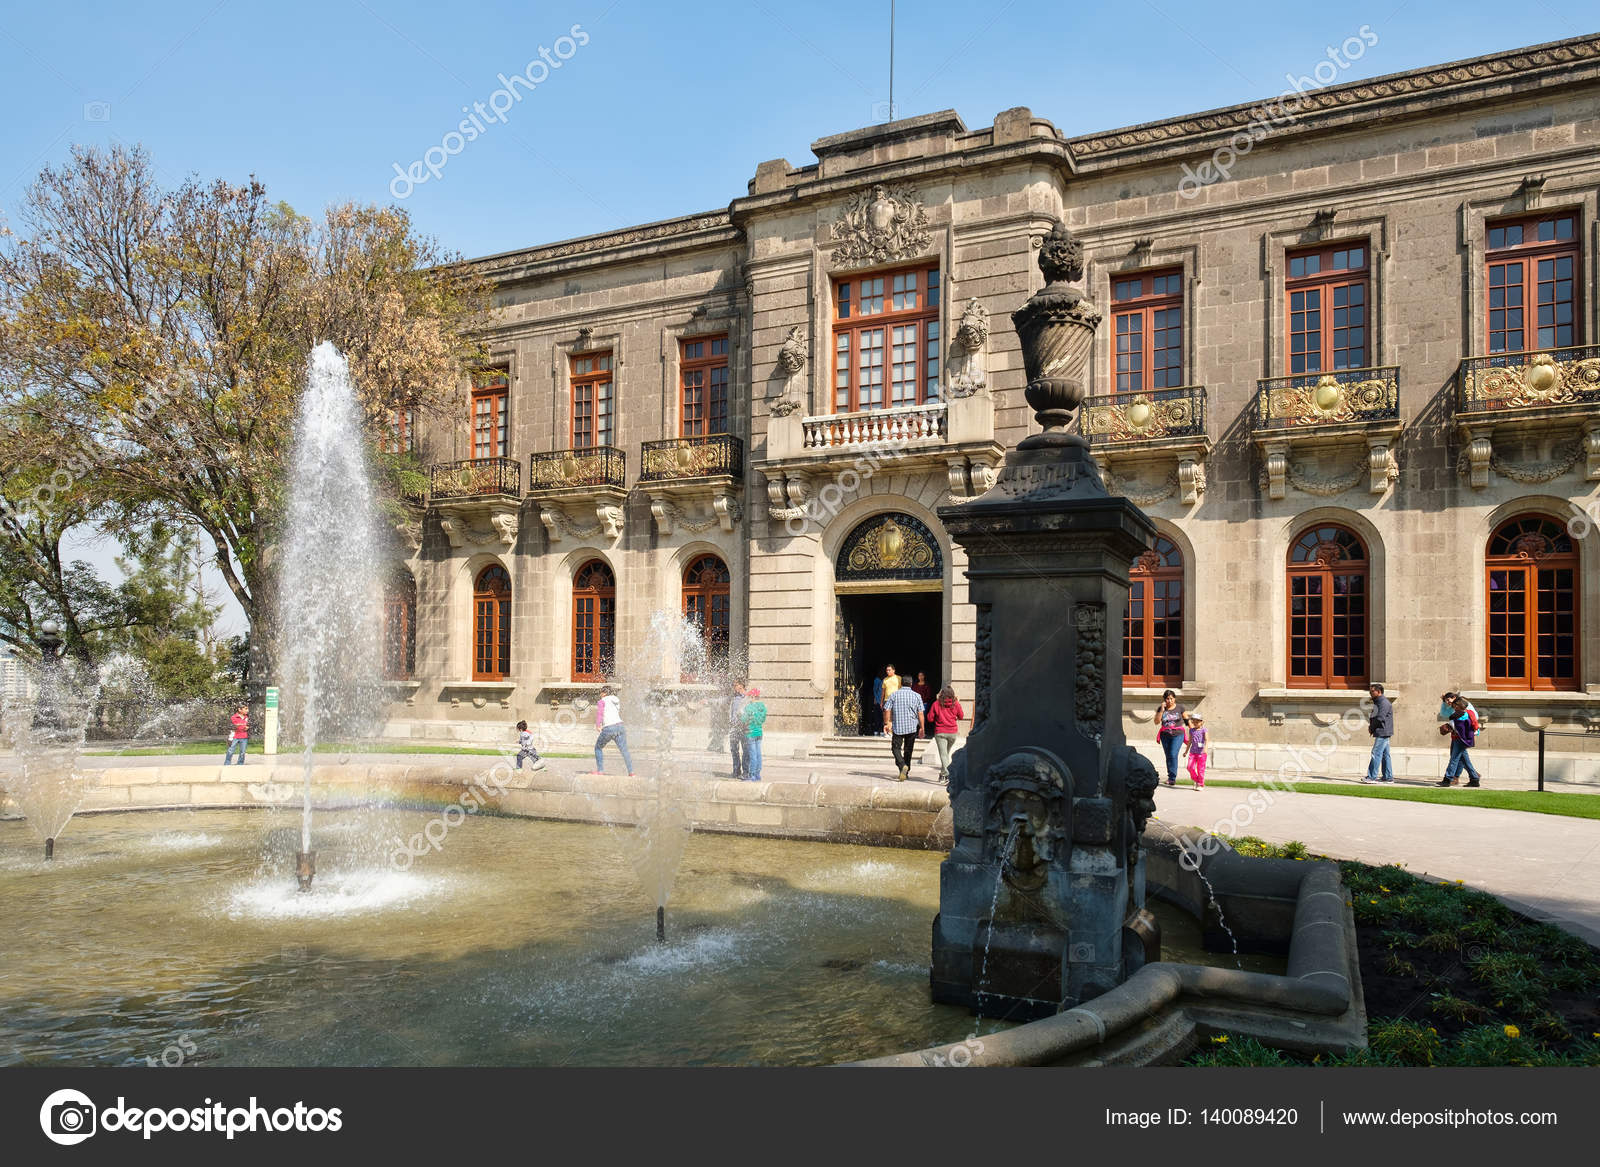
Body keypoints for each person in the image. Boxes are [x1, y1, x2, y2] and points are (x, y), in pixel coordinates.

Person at [883, 679, 925, 782]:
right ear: (911, 684)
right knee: (908, 750)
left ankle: (902, 766)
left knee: (895, 748)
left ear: (901, 684)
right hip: (911, 727)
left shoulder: (894, 695)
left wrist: (887, 723)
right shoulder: (917, 696)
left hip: (898, 727)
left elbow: (887, 709)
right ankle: (906, 771)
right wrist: (922, 728)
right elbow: (920, 713)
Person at [1437, 695, 1482, 788]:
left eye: (1454, 705)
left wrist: (1448, 726)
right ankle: (1474, 779)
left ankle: (1447, 779)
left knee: (1454, 759)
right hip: (1460, 739)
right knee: (1465, 760)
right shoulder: (1468, 713)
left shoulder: (1460, 715)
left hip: (1460, 739)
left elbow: (1455, 725)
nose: (1452, 706)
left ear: (1458, 705)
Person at [592, 686, 634, 775]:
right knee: (624, 750)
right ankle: (631, 772)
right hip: (620, 726)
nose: (600, 695)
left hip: (608, 728)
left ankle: (600, 770)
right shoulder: (616, 700)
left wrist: (598, 725)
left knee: (598, 748)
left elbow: (600, 714)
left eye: (601, 693)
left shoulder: (601, 701)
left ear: (604, 693)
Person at [927, 686, 964, 784]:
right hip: (952, 733)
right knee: (945, 754)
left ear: (941, 694)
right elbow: (961, 716)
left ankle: (948, 775)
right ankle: (942, 774)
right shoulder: (956, 704)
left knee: (943, 755)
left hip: (940, 732)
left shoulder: (936, 704)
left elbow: (930, 718)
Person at [1361, 683, 1395, 784]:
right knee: (1385, 755)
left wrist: (1371, 728)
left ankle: (1371, 777)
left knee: (1376, 753)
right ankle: (1388, 777)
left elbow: (1380, 718)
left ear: (1379, 692)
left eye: (1372, 691)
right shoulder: (1378, 702)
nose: (1370, 693)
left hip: (1382, 732)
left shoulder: (1383, 702)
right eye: (1370, 691)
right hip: (1383, 731)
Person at [1155, 690, 1186, 787]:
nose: (1169, 701)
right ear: (1164, 700)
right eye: (1167, 699)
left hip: (1178, 734)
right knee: (1168, 755)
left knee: (1173, 754)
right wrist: (1162, 710)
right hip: (1165, 735)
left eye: (1171, 698)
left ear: (1174, 698)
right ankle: (1170, 778)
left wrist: (1195, 730)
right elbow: (1156, 721)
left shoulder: (1180, 708)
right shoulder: (1161, 708)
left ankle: (1172, 778)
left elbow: (1186, 719)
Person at [742, 687, 768, 781]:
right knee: (758, 754)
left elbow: (743, 719)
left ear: (753, 697)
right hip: (759, 733)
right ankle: (757, 774)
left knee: (752, 755)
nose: (749, 698)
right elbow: (763, 719)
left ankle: (751, 775)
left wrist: (740, 715)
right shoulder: (763, 707)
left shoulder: (749, 707)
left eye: (749, 696)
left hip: (750, 733)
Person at [728, 680, 749, 780]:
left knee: (746, 750)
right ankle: (736, 770)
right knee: (734, 749)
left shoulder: (748, 698)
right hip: (734, 727)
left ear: (741, 686)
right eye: (734, 685)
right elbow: (721, 701)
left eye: (736, 685)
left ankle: (746, 772)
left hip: (744, 728)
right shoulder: (733, 698)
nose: (734, 687)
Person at [1183, 714, 1207, 789]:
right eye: (1194, 721)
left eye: (1197, 721)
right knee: (1189, 767)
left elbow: (1206, 739)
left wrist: (1205, 748)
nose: (1195, 723)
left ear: (1201, 722)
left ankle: (1200, 784)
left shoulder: (1204, 730)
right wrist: (1186, 751)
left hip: (1201, 753)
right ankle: (1197, 780)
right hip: (1193, 752)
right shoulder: (1191, 730)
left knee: (1200, 769)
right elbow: (1190, 741)